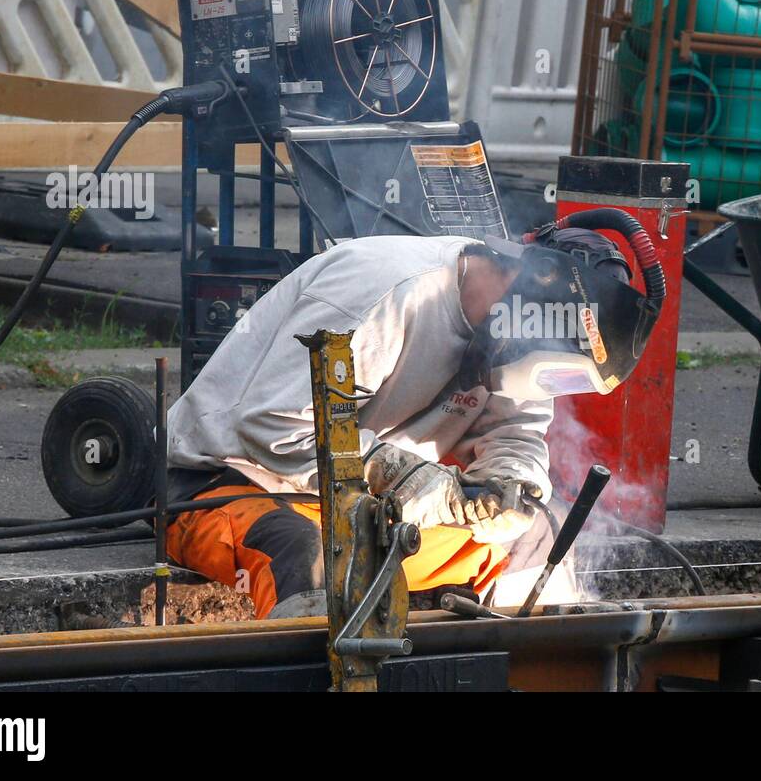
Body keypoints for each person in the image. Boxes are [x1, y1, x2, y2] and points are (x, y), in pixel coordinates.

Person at [164, 217, 661, 619]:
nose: (546, 383)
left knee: (533, 535)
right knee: (307, 554)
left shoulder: (518, 336)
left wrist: (509, 486)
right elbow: (272, 427)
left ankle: (522, 668)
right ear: (537, 299)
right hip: (238, 485)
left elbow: (518, 433)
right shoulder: (384, 290)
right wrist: (400, 474)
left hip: (374, 514)